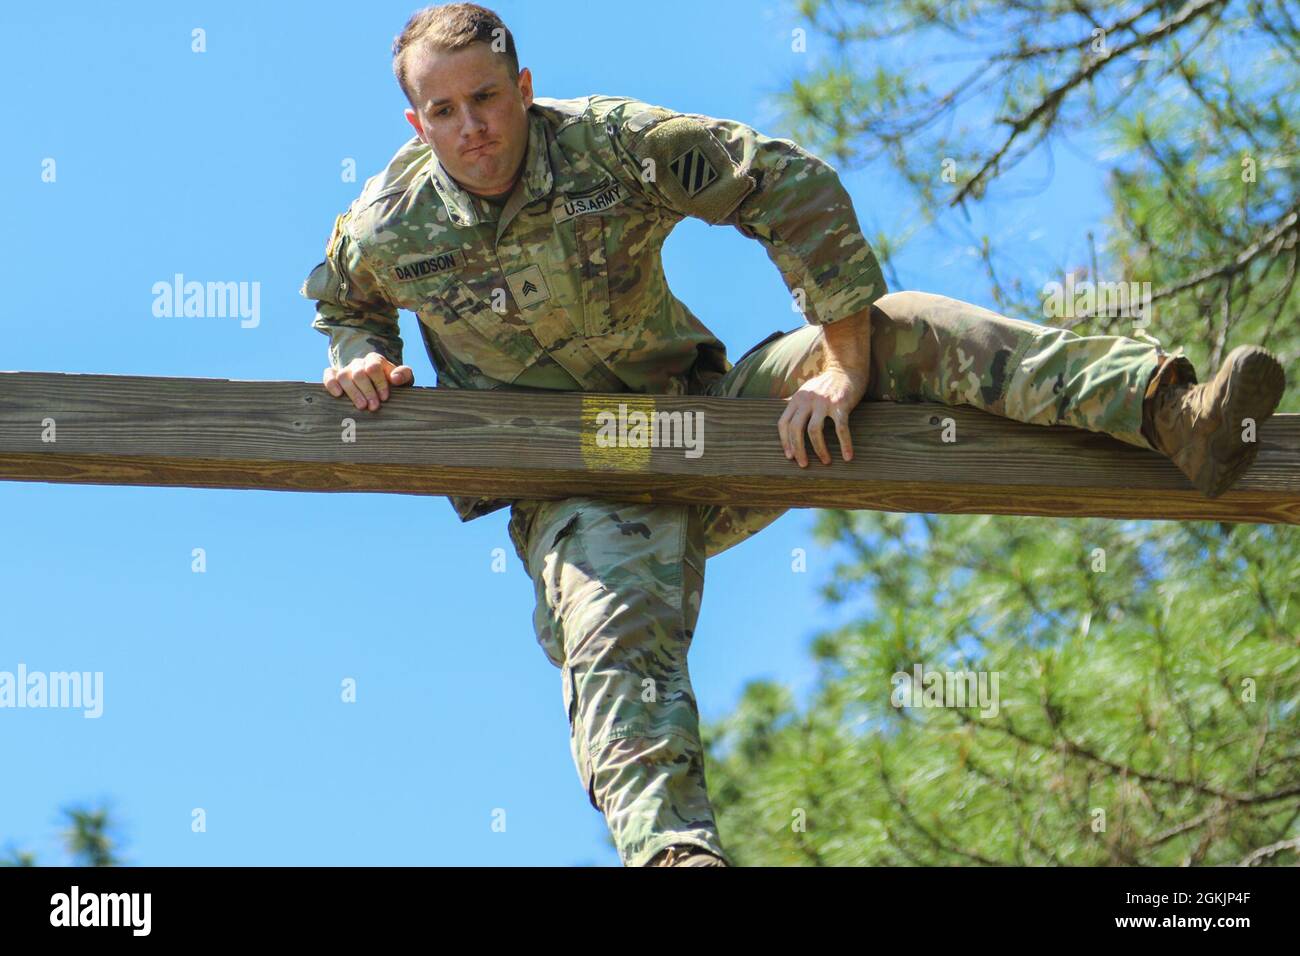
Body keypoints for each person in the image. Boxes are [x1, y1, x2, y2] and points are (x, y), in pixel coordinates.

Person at [301, 3, 1288, 867]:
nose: (471, 127)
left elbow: (781, 179)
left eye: (486, 98)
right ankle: (674, 854)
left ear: (523, 86)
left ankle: (1170, 413)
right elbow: (340, 297)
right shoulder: (388, 218)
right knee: (610, 624)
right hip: (571, 480)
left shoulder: (610, 145)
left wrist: (843, 361)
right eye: (444, 111)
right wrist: (361, 354)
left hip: (705, 420)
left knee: (907, 324)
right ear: (415, 121)